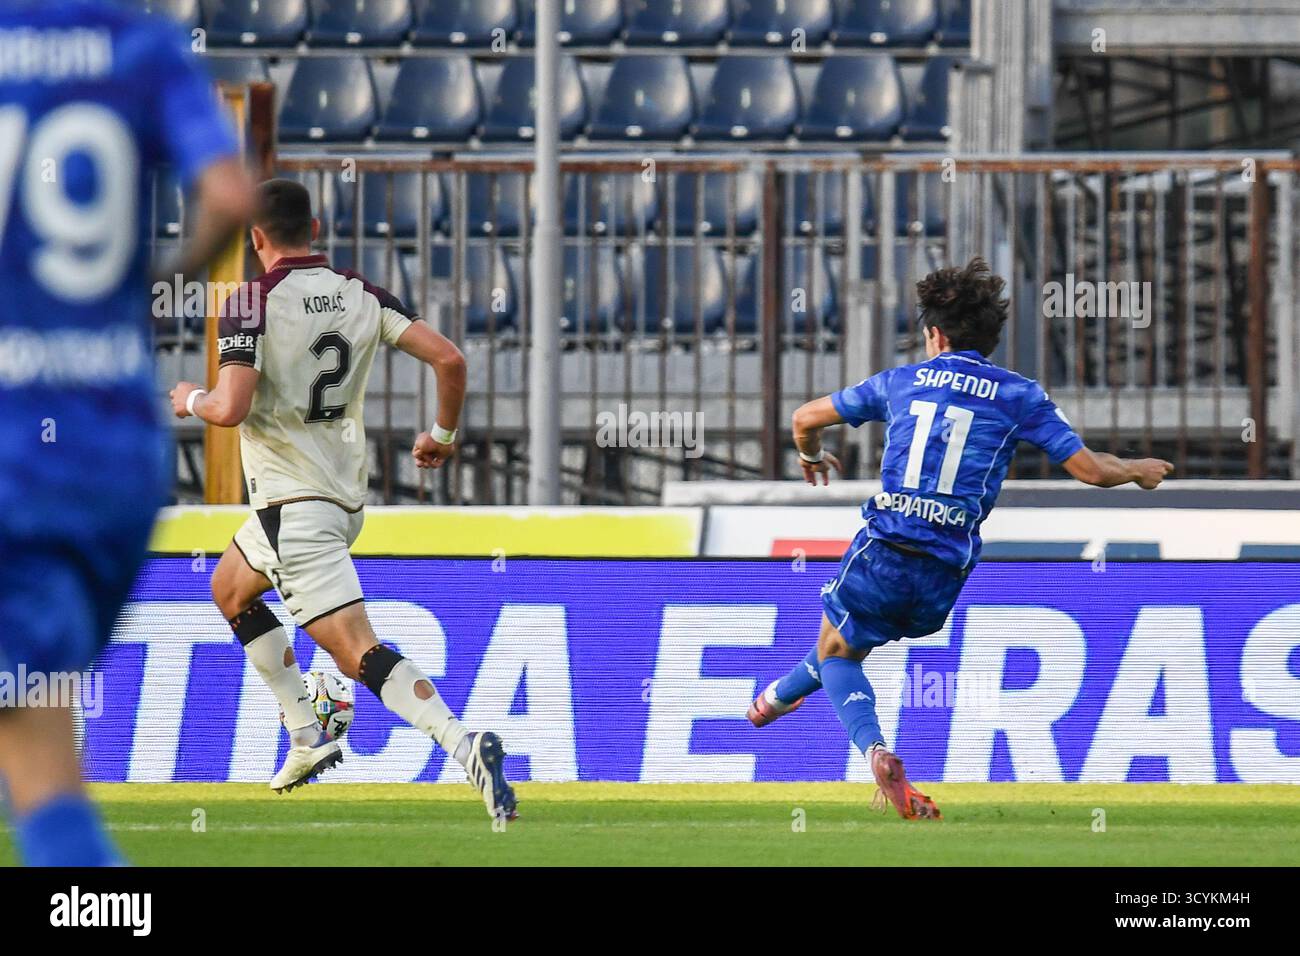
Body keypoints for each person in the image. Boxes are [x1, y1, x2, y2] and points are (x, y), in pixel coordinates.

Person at [748, 258, 1173, 819]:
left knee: (838, 654)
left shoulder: (901, 381)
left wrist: (809, 457)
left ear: (934, 333)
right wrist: (1138, 468)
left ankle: (875, 751)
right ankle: (773, 700)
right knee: (845, 644)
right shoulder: (1020, 395)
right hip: (944, 575)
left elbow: (805, 417)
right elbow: (1091, 470)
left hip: (886, 548)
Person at [169, 179, 517, 820]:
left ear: (255, 237)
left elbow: (230, 408)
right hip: (335, 502)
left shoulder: (250, 301)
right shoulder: (361, 295)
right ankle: (306, 734)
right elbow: (450, 361)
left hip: (292, 507)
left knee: (358, 653)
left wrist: (189, 397)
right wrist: (441, 435)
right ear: (318, 228)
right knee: (230, 589)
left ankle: (465, 746)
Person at [0, 0, 254, 865]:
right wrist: (152, 275)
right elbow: (228, 190)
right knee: (37, 726)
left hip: (11, 454)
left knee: (35, 760)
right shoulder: (142, 44)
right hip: (115, 450)